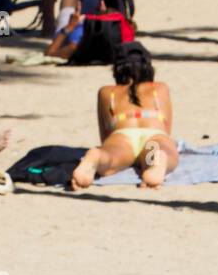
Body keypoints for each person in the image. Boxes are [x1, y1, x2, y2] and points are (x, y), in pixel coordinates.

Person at [71, 42, 179, 191]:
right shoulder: (160, 88)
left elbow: (105, 135)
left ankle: (97, 157)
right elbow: (166, 129)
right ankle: (156, 161)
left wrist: (110, 147)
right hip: (153, 134)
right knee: (159, 151)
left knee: (110, 157)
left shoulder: (106, 92)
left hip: (123, 135)